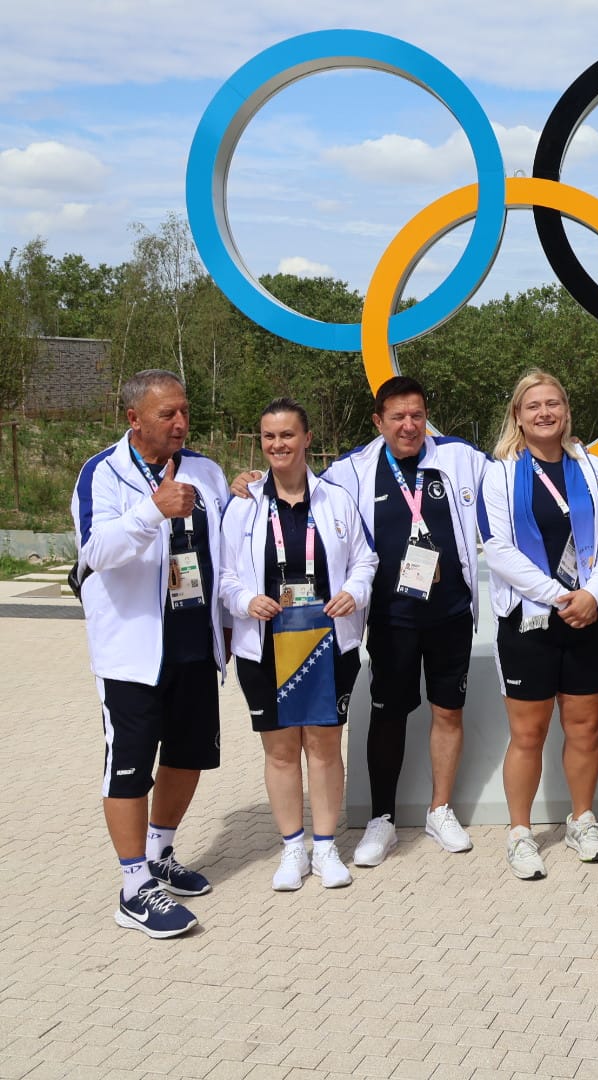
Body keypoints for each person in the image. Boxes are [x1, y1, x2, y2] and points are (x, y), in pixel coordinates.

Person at [238, 376, 490, 865]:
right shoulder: (352, 471)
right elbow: (295, 489)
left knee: (448, 711)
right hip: (391, 618)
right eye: (397, 417)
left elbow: (512, 474)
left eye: (417, 415)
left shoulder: (459, 457)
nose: (409, 425)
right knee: (388, 715)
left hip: (452, 612)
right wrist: (248, 484)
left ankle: (440, 809)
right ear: (379, 421)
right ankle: (383, 819)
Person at [71, 369, 230, 937]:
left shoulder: (207, 471)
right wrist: (152, 510)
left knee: (188, 757)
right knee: (131, 768)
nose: (182, 422)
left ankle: (160, 852)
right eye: (168, 414)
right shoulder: (102, 473)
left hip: (193, 647)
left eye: (185, 410)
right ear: (134, 419)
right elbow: (96, 549)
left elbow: (229, 542)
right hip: (134, 653)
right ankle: (134, 887)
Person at [219, 398, 377, 891]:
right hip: (266, 644)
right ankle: (293, 849)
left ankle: (326, 847)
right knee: (282, 750)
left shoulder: (336, 499)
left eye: (287, 435)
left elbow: (365, 561)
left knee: (324, 745)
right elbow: (224, 575)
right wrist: (246, 600)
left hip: (328, 640)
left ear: (307, 439)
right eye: (269, 437)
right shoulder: (243, 504)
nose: (278, 445)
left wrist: (354, 592)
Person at [480, 371, 598, 880]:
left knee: (584, 728)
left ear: (566, 411)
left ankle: (582, 819)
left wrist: (593, 594)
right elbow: (497, 547)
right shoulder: (499, 473)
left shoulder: (594, 468)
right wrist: (558, 594)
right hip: (530, 619)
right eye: (533, 406)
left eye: (553, 404)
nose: (544, 413)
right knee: (528, 734)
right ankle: (520, 833)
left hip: (589, 615)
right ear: (517, 416)